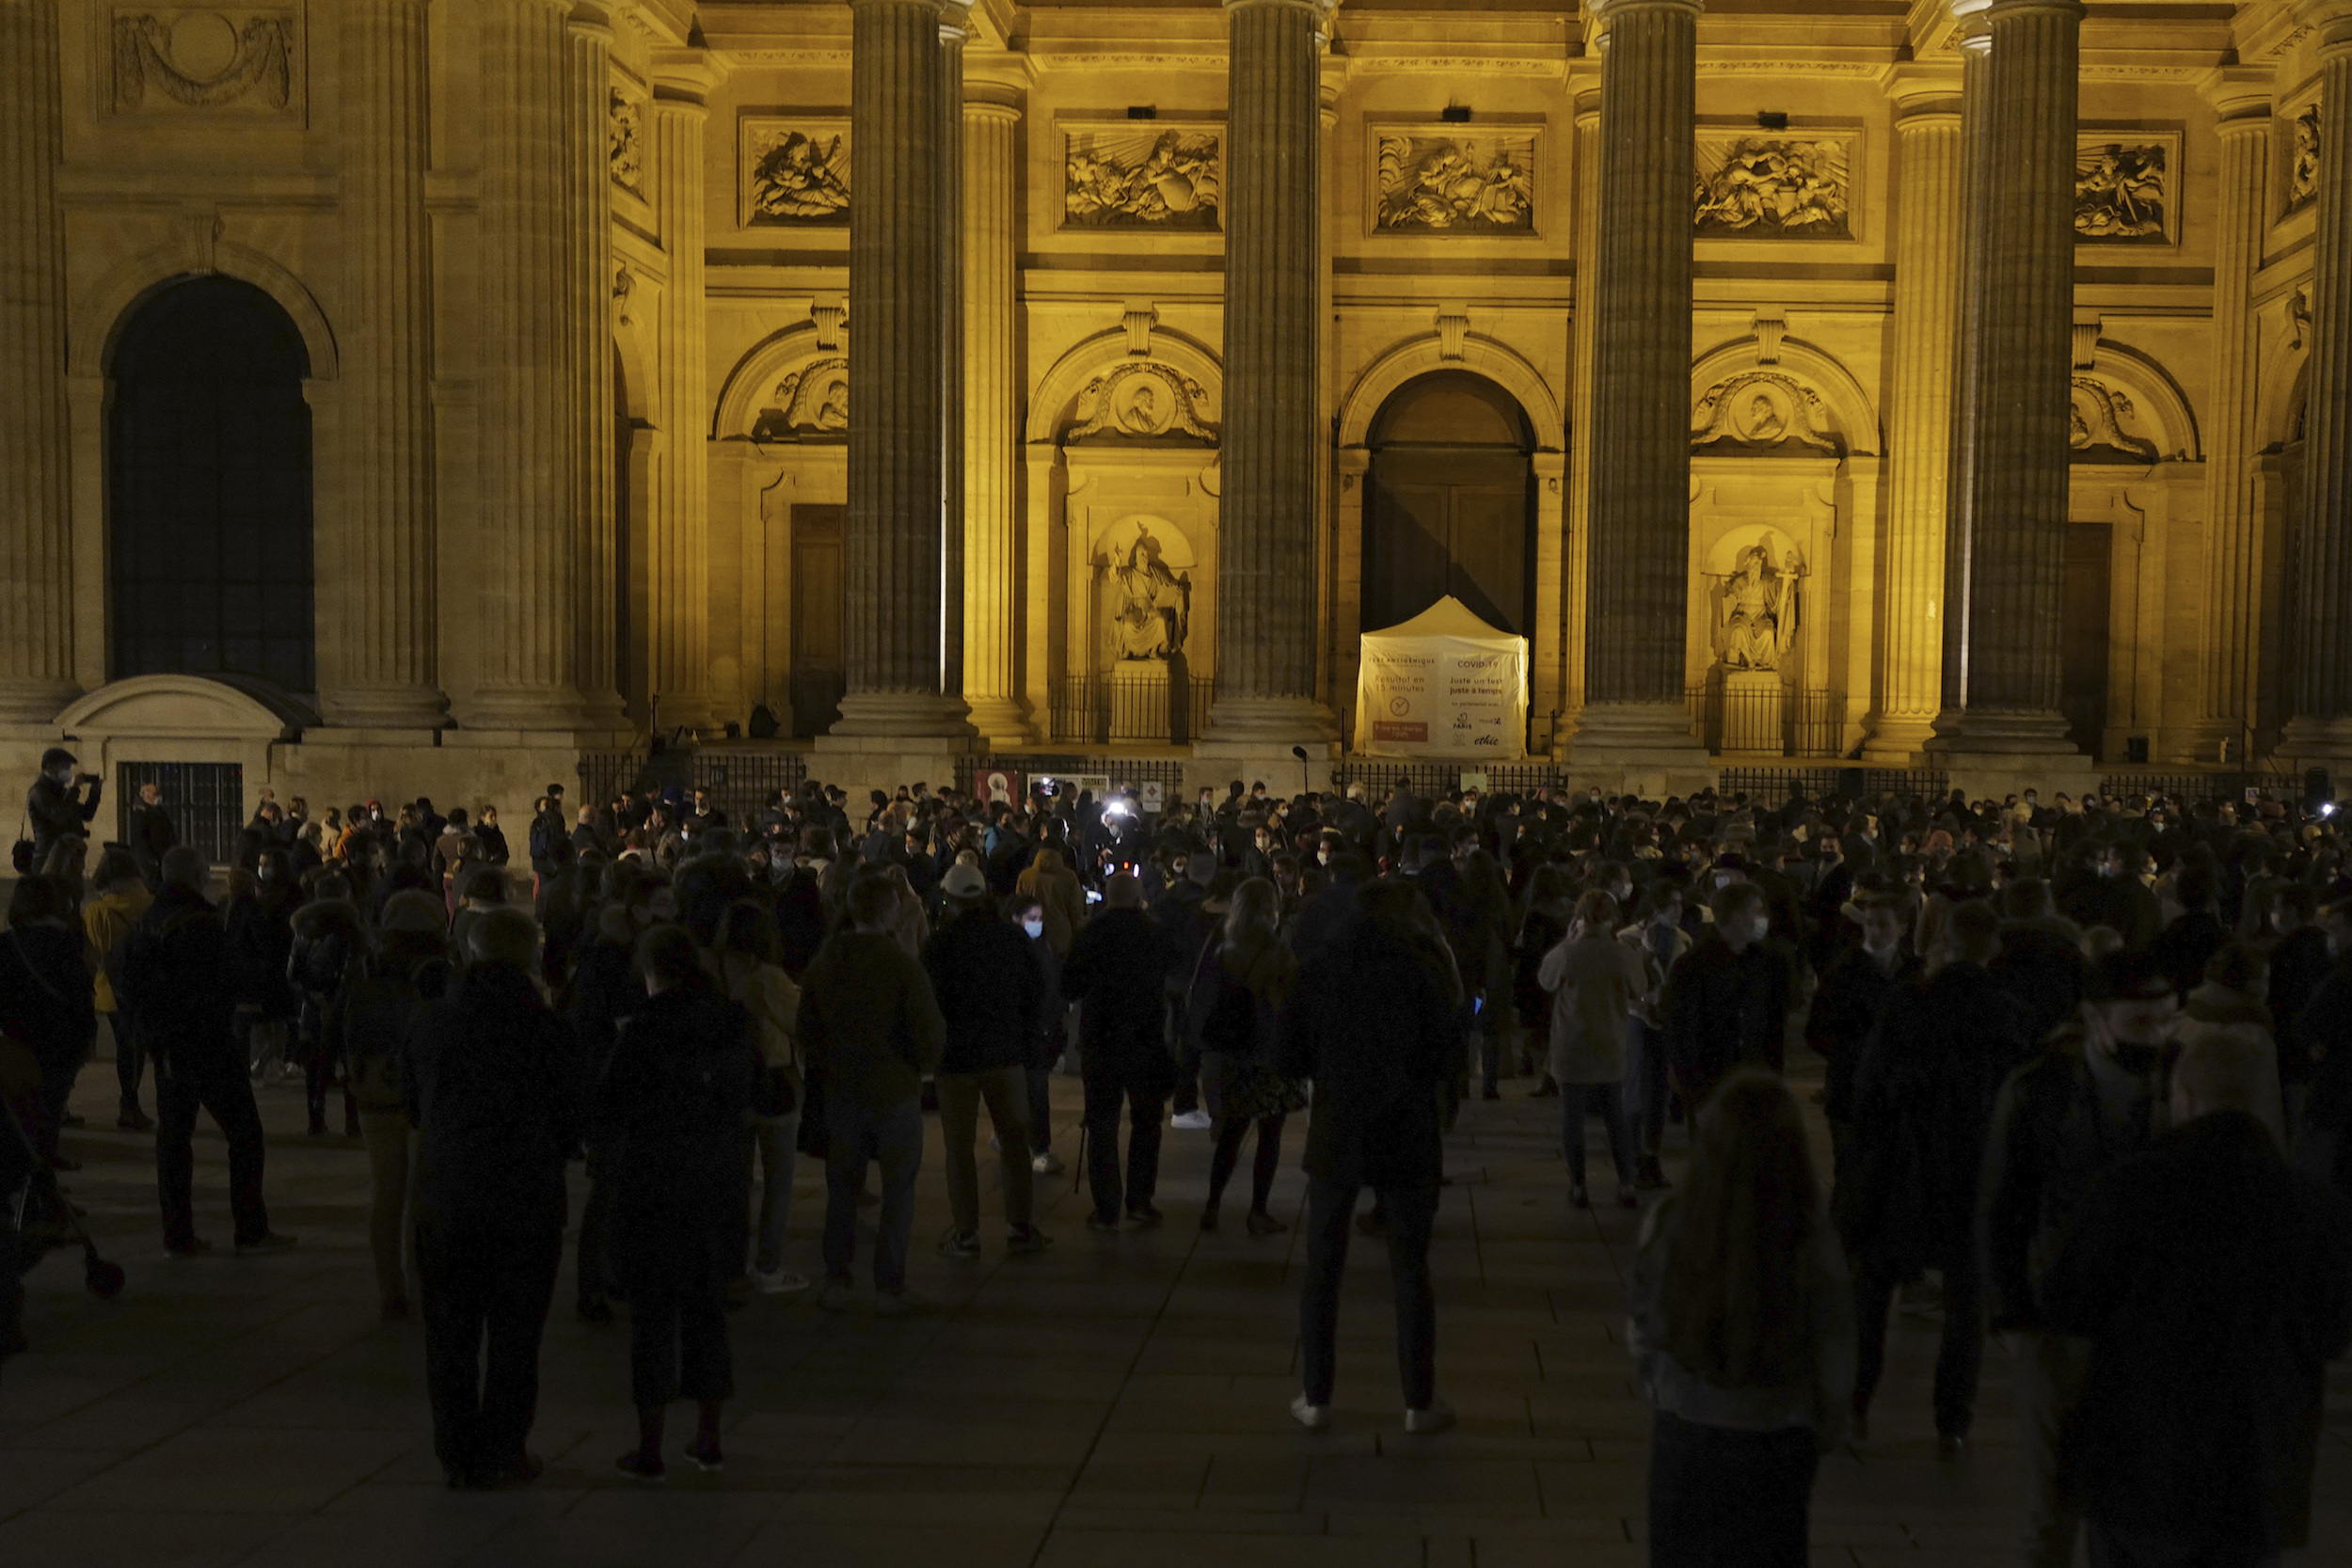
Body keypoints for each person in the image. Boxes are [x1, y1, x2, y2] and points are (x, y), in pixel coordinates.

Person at [2040, 1031, 2352, 1568]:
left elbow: (2068, 1308)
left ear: (2182, 1095)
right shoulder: (2313, 1209)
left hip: (2135, 1464)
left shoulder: (2127, 1189)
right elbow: (2331, 1332)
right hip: (2255, 1470)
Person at [1981, 949, 2180, 1568]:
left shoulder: (2182, 1086)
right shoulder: (2041, 1090)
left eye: (2169, 1019)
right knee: (2055, 1505)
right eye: (2143, 1020)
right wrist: (2013, 1315)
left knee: (2133, 1509)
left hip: (2153, 1328)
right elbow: (2001, 1205)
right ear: (2095, 1016)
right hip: (2057, 1323)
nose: (2160, 1034)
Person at [1629, 1070, 1854, 1568]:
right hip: (1777, 1432)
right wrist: (1824, 1425)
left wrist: (1659, 1392)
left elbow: (1644, 1323)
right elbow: (1834, 1346)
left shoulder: (1672, 1221)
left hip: (1686, 1427)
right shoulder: (1809, 1241)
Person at [1836, 898, 2030, 1452]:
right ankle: (1953, 1421)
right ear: (1992, 948)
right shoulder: (2009, 1014)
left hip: (1906, 1167)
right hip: (1974, 1174)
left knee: (1874, 1293)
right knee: (1966, 1304)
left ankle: (1856, 1406)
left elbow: (1868, 1090)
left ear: (1943, 940)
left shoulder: (1909, 1002)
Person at [403, 907, 577, 1489]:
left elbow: (413, 1102)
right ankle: (506, 1448)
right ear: (530, 957)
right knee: (515, 1335)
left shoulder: (433, 1022)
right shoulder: (547, 1028)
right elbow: (571, 1117)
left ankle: (457, 1455)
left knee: (448, 1335)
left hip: (446, 1193)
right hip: (524, 1196)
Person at [1279, 880, 1460, 1433]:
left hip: (1338, 1126)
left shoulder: (1320, 968)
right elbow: (1445, 1055)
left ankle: (1317, 1396)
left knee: (1324, 1268)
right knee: (1410, 1270)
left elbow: (1287, 1053)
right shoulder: (1421, 968)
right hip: (1406, 1126)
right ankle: (1418, 1401)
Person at [602, 925, 756, 1482]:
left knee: (652, 1317)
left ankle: (650, 1448)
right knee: (707, 1310)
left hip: (654, 1180)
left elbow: (611, 1103)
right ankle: (709, 1438)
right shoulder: (729, 1021)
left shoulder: (644, 1029)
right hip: (715, 1177)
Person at [116, 848, 294, 1258]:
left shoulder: (149, 919)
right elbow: (225, 978)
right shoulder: (200, 923)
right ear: (198, 876)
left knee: (174, 1139)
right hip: (207, 1041)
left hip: (166, 1044)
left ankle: (177, 1236)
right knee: (246, 1134)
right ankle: (250, 1229)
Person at [795, 874, 946, 1313]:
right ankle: (889, 1285)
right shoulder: (901, 965)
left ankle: (837, 1279)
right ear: (886, 912)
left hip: (842, 1089)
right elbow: (928, 1031)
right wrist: (920, 1067)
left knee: (841, 1189)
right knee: (899, 1190)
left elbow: (807, 1027)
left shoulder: (826, 961)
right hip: (894, 1088)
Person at [922, 863, 1053, 1259]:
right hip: (1005, 1054)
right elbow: (1037, 993)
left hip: (956, 1058)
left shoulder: (939, 944)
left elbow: (928, 1002)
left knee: (958, 1149)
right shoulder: (1012, 941)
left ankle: (966, 1234)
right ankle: (1020, 1227)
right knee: (1015, 1143)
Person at [340, 889, 450, 1320]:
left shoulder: (362, 970)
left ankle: (391, 1290)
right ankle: (421, 1286)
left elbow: (339, 1025)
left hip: (372, 1090)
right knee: (421, 1196)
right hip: (421, 1091)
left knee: (386, 1192)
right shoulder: (434, 974)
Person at [1186, 878, 1306, 1236]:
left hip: (1231, 1051)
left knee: (1231, 1132)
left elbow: (1200, 993)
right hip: (1268, 1050)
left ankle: (1212, 1204)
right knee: (1270, 1134)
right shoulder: (1277, 948)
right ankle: (1258, 1211)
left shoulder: (1220, 942)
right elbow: (1291, 999)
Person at [1061, 874, 1176, 1229]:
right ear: (1140, 896)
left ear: (1108, 897)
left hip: (1102, 1039)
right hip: (1146, 1038)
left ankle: (1106, 1206)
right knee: (1146, 1122)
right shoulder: (1155, 932)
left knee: (1102, 1125)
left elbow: (1070, 986)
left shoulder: (1092, 933)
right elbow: (1174, 977)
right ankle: (1140, 1200)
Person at [714, 901, 808, 1296]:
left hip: (728, 1084)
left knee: (735, 1182)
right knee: (778, 1181)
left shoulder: (716, 969)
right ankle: (767, 1265)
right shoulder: (766, 976)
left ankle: (730, 1266)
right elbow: (799, 1021)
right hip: (771, 1080)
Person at [1539, 890, 1649, 1210]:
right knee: (1615, 1116)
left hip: (1572, 1043)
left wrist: (1567, 941)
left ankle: (1578, 1185)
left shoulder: (1569, 954)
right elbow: (1638, 987)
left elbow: (1546, 979)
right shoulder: (1621, 952)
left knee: (1572, 1118)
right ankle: (1626, 1182)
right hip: (1611, 1041)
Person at [1661, 881, 1792, 1112]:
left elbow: (1774, 1025)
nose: (1763, 919)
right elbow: (1681, 1029)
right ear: (1738, 916)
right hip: (1711, 1085)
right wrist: (1694, 1085)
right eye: (1758, 911)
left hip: (1756, 1082)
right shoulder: (1693, 966)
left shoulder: (1768, 962)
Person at [0, 877, 96, 1168]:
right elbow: (81, 993)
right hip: (61, 1042)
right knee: (49, 1115)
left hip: (18, 1042)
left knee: (20, 1118)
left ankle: (29, 1189)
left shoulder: (7, 944)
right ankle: (43, 1187)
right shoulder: (67, 942)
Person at [82, 848, 154, 1132]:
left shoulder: (95, 911)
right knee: (138, 1047)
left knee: (125, 1046)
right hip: (143, 987)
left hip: (110, 989)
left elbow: (94, 954)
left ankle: (129, 1102)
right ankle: (130, 1103)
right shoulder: (149, 903)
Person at [24, 748, 101, 872]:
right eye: (65, 767)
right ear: (50, 767)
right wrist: (74, 788)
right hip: (48, 857)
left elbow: (86, 814)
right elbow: (59, 815)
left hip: (68, 855)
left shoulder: (62, 791)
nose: (68, 771)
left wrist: (95, 792)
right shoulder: (38, 791)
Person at [128, 781, 177, 891]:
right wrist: (150, 860)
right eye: (155, 794)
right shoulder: (141, 814)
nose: (158, 797)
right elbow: (140, 840)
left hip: (162, 858)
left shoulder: (158, 811)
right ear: (146, 795)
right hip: (151, 862)